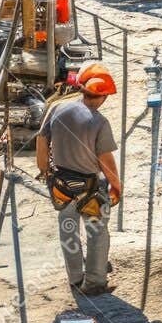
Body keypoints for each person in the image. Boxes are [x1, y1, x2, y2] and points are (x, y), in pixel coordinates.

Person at [36, 63, 123, 295]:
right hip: (89, 186)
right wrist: (116, 186)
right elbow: (106, 160)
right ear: (103, 96)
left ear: (82, 88)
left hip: (61, 184)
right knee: (97, 233)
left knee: (68, 231)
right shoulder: (99, 123)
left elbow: (42, 140)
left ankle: (75, 278)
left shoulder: (56, 108)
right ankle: (94, 283)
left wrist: (44, 170)